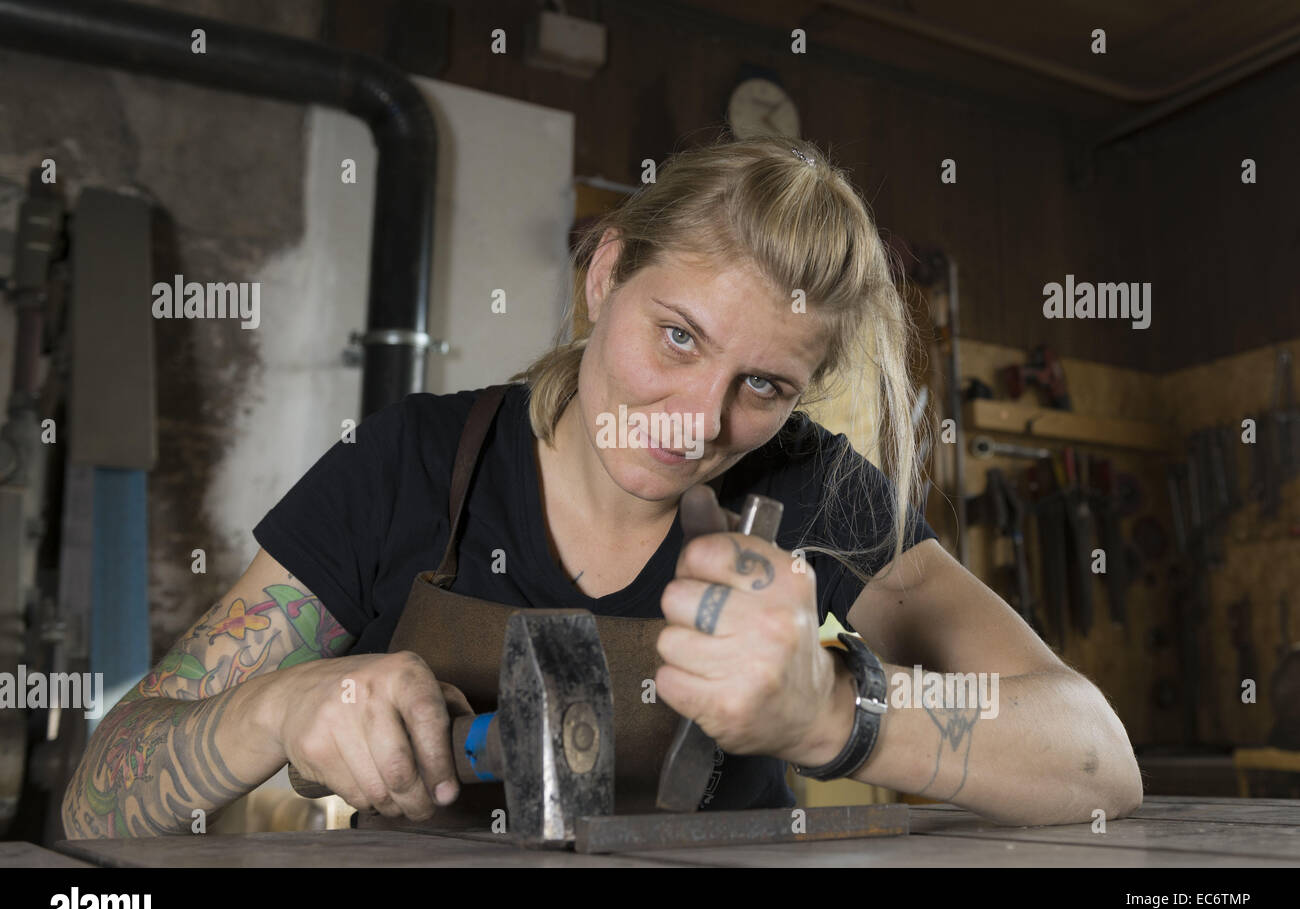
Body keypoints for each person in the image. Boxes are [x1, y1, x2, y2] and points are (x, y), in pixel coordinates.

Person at [62, 136, 1141, 839]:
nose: (700, 419)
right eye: (676, 335)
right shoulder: (406, 466)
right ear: (603, 276)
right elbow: (98, 794)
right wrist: (276, 707)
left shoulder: (810, 490)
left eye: (762, 384)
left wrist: (834, 715)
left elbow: (1092, 753)